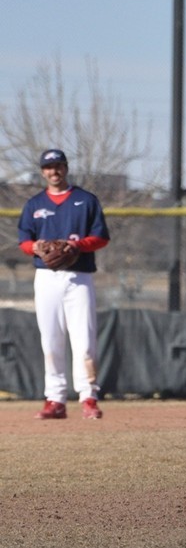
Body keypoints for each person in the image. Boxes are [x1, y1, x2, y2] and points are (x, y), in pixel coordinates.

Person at [18, 149, 111, 420]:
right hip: (46, 278)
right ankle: (55, 399)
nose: (53, 171)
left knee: (84, 339)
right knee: (50, 340)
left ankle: (89, 397)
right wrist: (34, 247)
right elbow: (24, 240)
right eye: (48, 167)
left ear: (66, 168)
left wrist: (76, 245)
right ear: (42, 172)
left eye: (58, 166)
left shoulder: (86, 200)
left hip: (78, 276)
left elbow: (101, 237)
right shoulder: (34, 204)